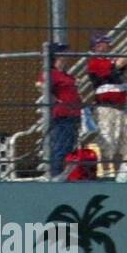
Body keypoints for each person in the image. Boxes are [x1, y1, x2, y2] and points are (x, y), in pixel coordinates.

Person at [87, 33, 127, 177]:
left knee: (121, 144)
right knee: (107, 142)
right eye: (105, 43)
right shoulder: (95, 62)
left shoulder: (110, 61)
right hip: (105, 108)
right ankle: (107, 173)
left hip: (121, 108)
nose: (108, 46)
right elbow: (118, 64)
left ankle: (118, 172)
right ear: (97, 45)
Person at [37, 42, 83, 178]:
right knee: (61, 149)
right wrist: (55, 100)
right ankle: (56, 177)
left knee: (70, 148)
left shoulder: (65, 74)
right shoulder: (52, 73)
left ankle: (66, 176)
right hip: (63, 115)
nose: (66, 54)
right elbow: (40, 84)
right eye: (63, 52)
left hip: (73, 114)